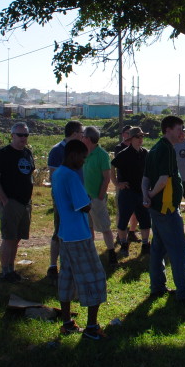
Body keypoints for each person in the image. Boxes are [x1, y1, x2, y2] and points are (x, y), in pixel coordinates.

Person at [142, 115, 185, 304]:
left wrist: (146, 196)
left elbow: (145, 178)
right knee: (179, 251)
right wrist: (151, 196)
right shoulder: (167, 149)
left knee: (158, 248)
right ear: (168, 129)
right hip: (166, 207)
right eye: (179, 128)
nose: (182, 132)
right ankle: (184, 294)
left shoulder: (153, 148)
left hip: (157, 207)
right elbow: (163, 179)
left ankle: (157, 287)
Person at [53, 139, 109, 340]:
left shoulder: (58, 173)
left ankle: (67, 323)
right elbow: (84, 205)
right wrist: (86, 199)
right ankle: (92, 328)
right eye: (83, 158)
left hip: (65, 234)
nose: (83, 162)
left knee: (67, 277)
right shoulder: (71, 176)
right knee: (95, 277)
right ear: (73, 155)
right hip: (79, 235)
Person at [0, 122, 35, 282]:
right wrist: (4, 199)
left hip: (25, 202)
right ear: (12, 135)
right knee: (8, 237)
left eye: (26, 135)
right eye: (20, 135)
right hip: (10, 201)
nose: (23, 138)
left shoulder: (27, 153)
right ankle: (4, 271)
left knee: (17, 238)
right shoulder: (3, 154)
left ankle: (11, 269)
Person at [46, 120, 84, 283]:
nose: (83, 136)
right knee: (59, 230)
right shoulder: (57, 151)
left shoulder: (79, 150)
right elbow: (54, 178)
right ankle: (53, 265)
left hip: (79, 198)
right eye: (81, 133)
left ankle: (72, 264)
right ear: (74, 134)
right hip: (64, 200)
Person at [110, 127, 151, 258]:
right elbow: (112, 166)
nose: (140, 140)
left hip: (142, 192)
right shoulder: (123, 154)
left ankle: (145, 245)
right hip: (127, 192)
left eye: (142, 137)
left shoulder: (145, 153)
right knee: (123, 221)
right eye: (138, 137)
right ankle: (123, 244)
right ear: (131, 139)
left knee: (145, 220)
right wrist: (117, 183)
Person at [82, 126, 117, 265]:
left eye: (83, 136)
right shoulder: (83, 153)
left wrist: (100, 197)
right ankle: (91, 253)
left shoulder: (101, 155)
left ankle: (111, 253)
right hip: (84, 198)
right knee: (88, 226)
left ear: (89, 139)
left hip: (96, 198)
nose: (81, 137)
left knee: (104, 227)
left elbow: (106, 178)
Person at [113, 125, 141, 243]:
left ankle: (132, 232)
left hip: (137, 186)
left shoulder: (141, 150)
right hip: (124, 185)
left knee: (136, 212)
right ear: (124, 134)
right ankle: (121, 235)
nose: (129, 134)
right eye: (127, 132)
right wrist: (117, 183)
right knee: (122, 212)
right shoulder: (120, 148)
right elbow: (113, 166)